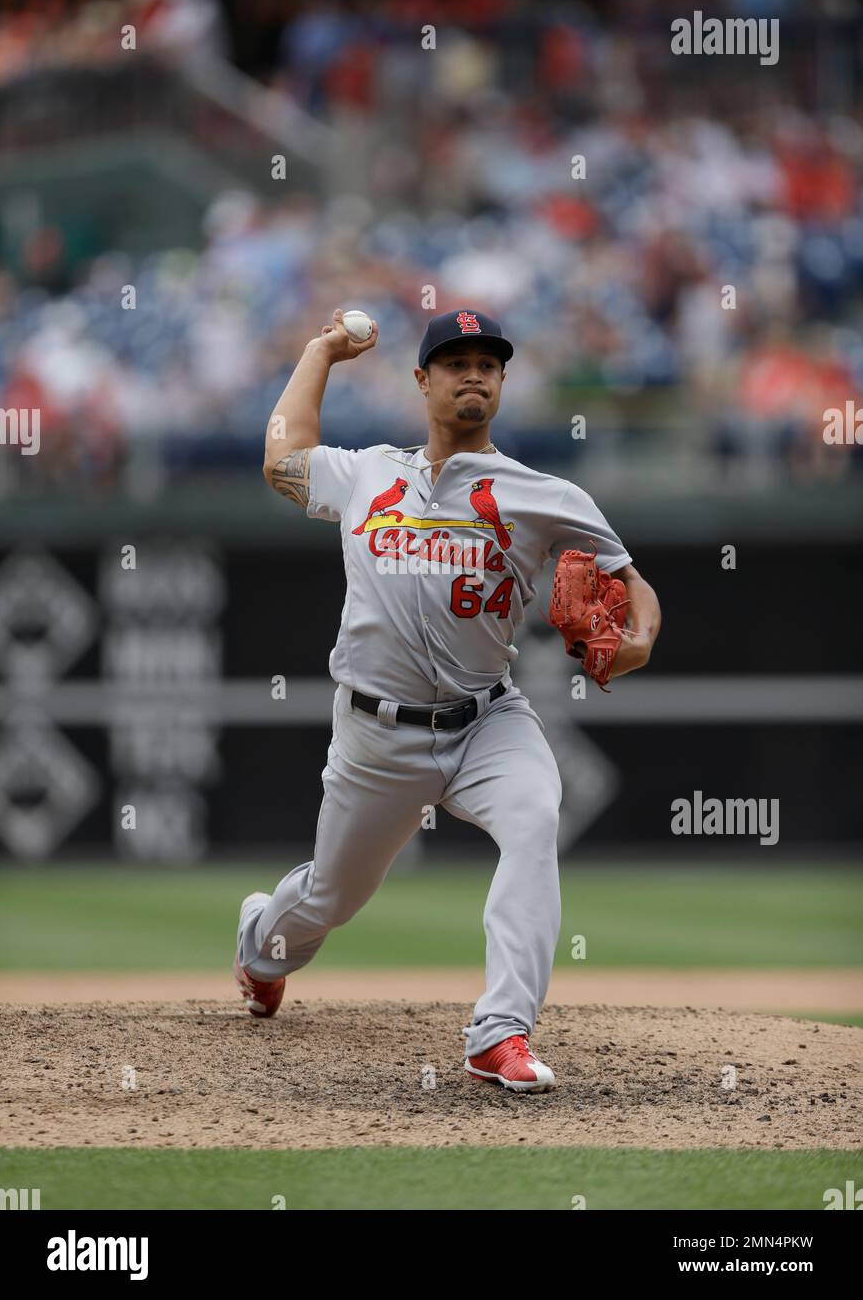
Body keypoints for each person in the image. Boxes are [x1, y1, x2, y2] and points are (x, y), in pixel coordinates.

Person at [234, 308, 661, 1092]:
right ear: (423, 380)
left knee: (534, 819)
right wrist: (321, 352)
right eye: (455, 362)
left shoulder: (544, 495)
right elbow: (282, 458)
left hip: (487, 721)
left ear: (501, 384)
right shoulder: (368, 474)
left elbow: (636, 591)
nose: (473, 375)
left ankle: (500, 1034)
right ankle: (263, 943)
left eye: (488, 365)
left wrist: (637, 638)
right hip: (375, 733)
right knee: (331, 896)